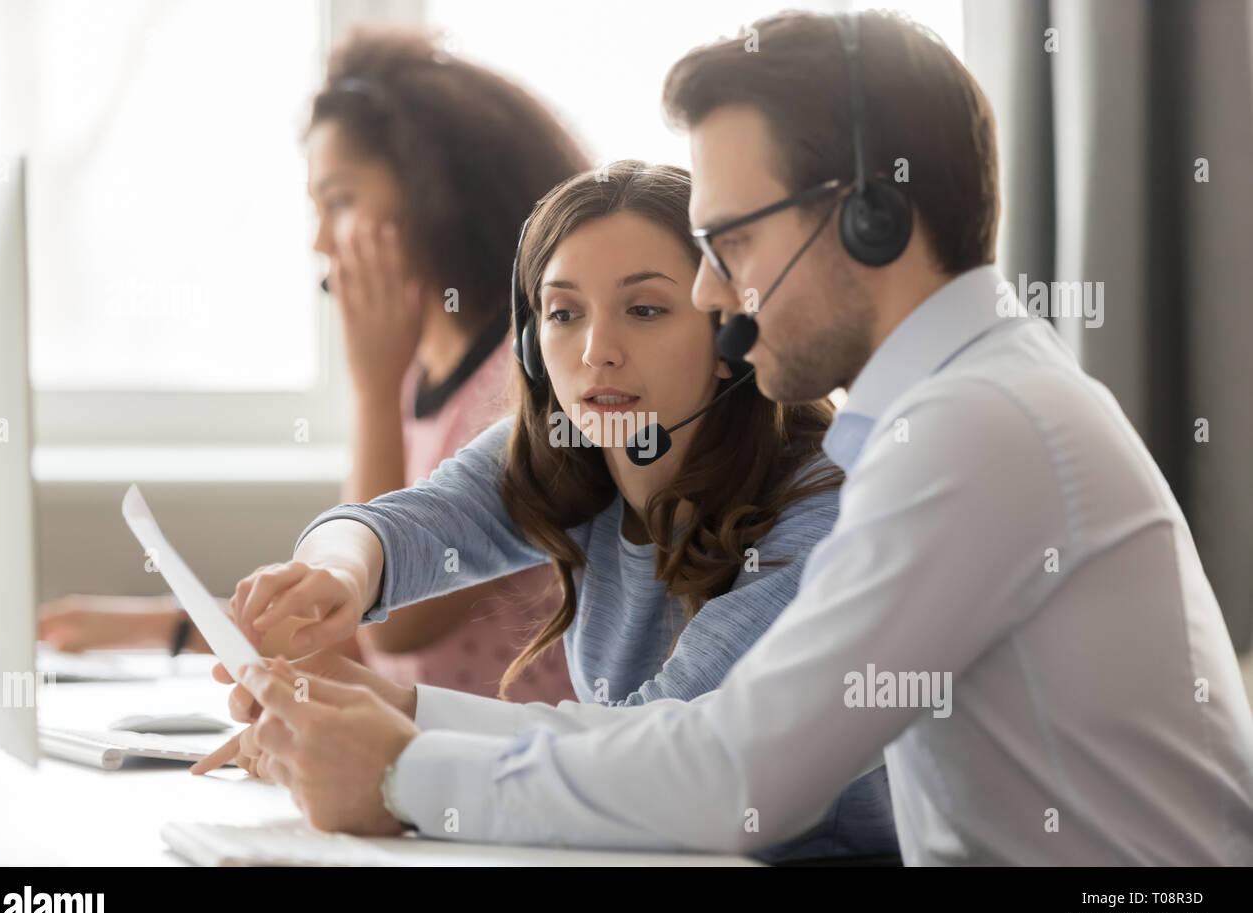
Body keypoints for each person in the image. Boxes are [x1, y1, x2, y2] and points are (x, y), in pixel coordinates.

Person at [207, 9, 1253, 865]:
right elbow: (723, 752)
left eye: (732, 241)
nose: (715, 291)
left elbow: (736, 774)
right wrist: (392, 721)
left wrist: (398, 770)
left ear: (867, 221)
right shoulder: (962, 408)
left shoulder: (973, 433)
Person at [195, 159, 901, 862]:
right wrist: (337, 575)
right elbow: (406, 522)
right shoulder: (567, 449)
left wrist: (398, 733)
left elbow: (659, 751)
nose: (597, 352)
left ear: (730, 340)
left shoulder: (821, 510)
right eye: (563, 314)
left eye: (646, 310)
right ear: (533, 347)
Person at [37, 28, 587, 703]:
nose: (322, 241)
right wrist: (162, 628)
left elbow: (396, 626)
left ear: (435, 194)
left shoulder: (524, 378)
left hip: (502, 775)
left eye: (342, 201)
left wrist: (372, 391)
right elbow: (350, 612)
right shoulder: (422, 376)